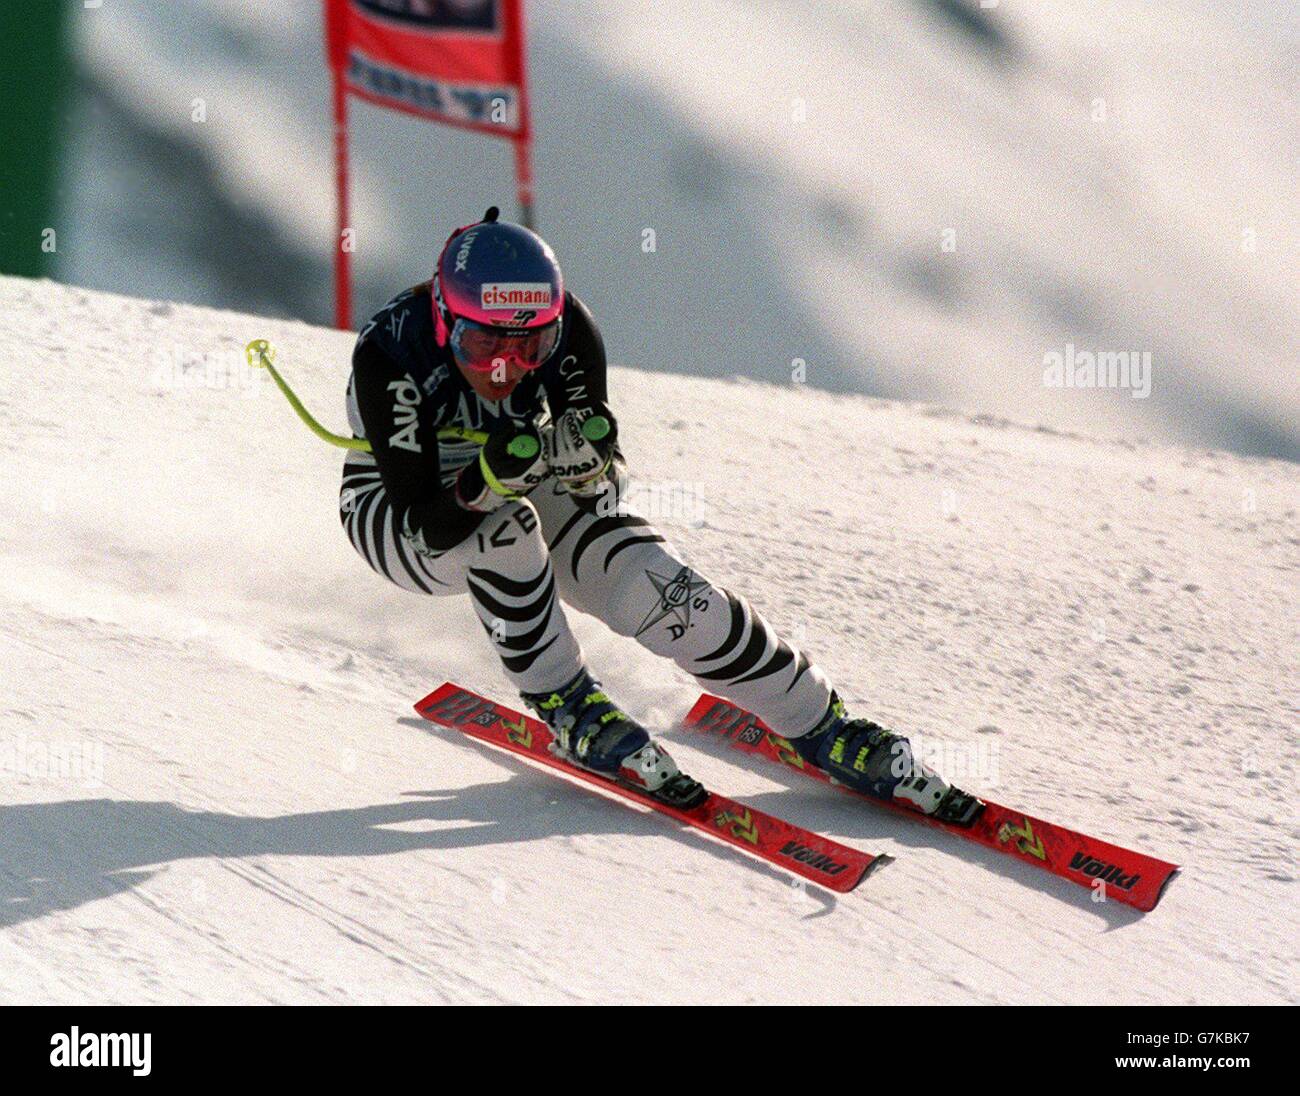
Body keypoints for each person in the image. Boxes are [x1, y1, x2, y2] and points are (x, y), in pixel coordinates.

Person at [341, 207, 976, 819]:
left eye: (530, 346)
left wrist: (590, 466)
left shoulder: (572, 333)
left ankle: (823, 723)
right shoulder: (391, 354)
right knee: (506, 534)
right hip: (398, 506)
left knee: (647, 578)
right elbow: (427, 520)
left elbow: (601, 491)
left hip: (517, 472)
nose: (506, 370)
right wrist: (485, 477)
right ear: (444, 317)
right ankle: (567, 705)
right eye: (482, 346)